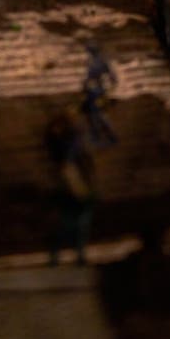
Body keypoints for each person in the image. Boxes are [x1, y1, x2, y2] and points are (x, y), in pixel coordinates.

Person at [45, 109, 96, 266]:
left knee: (76, 227)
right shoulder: (65, 144)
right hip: (70, 193)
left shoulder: (74, 142)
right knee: (66, 228)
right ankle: (60, 257)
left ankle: (75, 256)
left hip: (75, 191)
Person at [80, 42, 118, 147]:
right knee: (94, 116)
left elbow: (111, 78)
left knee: (98, 115)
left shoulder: (99, 63)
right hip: (93, 92)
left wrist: (108, 90)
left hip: (98, 92)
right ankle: (99, 136)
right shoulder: (93, 63)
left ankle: (105, 136)